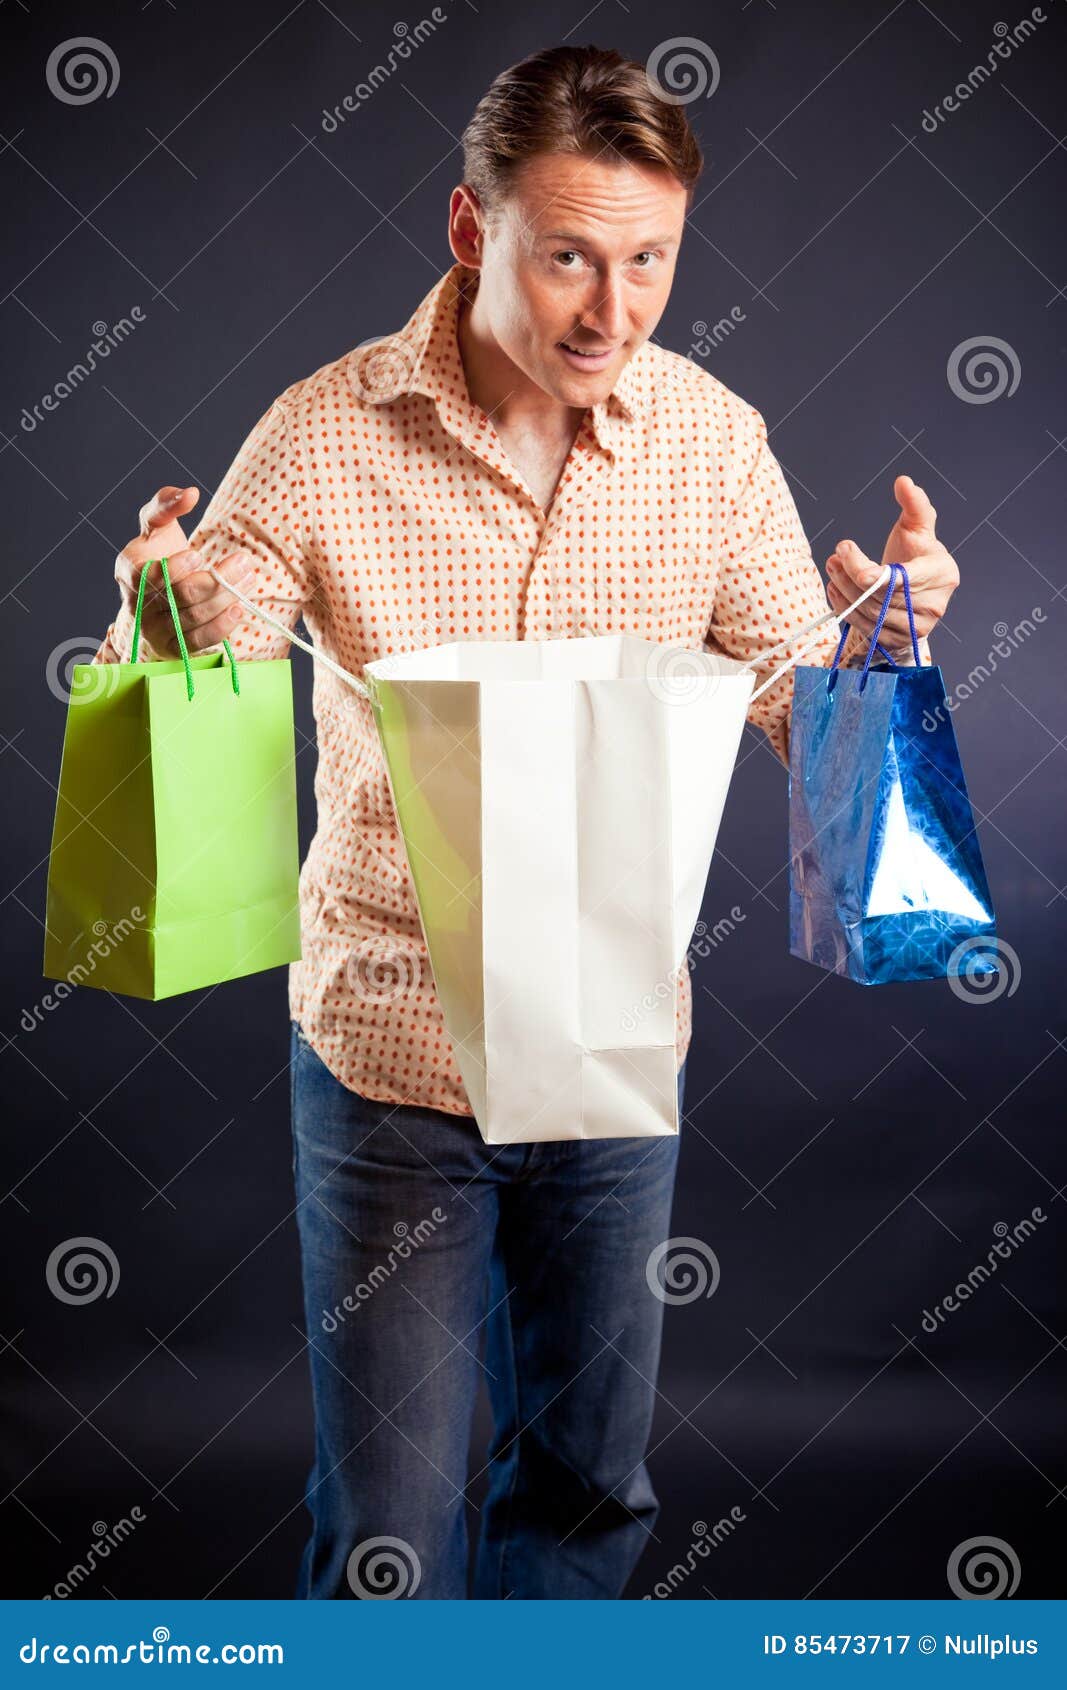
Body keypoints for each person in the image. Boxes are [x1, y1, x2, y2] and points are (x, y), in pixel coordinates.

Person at [93, 45, 959, 1599]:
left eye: (649, 263)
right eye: (569, 256)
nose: (612, 313)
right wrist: (166, 613)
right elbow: (209, 645)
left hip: (619, 1056)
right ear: (468, 230)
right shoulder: (325, 430)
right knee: (387, 1535)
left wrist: (884, 647)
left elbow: (796, 709)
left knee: (587, 1496)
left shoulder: (709, 442)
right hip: (389, 1061)